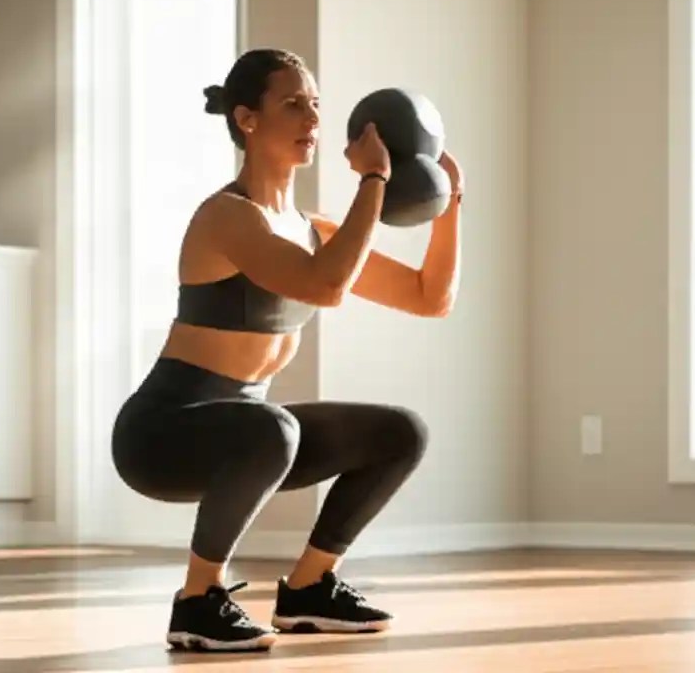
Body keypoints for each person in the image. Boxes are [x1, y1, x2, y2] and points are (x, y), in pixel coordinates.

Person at [110, 48, 464, 653]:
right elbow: (326, 286)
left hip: (252, 435)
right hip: (161, 435)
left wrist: (450, 204)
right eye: (294, 104)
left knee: (401, 433)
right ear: (247, 119)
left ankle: (309, 588)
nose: (313, 119)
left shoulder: (312, 230)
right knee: (273, 428)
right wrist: (374, 182)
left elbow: (430, 297)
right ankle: (197, 601)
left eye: (316, 105)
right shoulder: (226, 217)